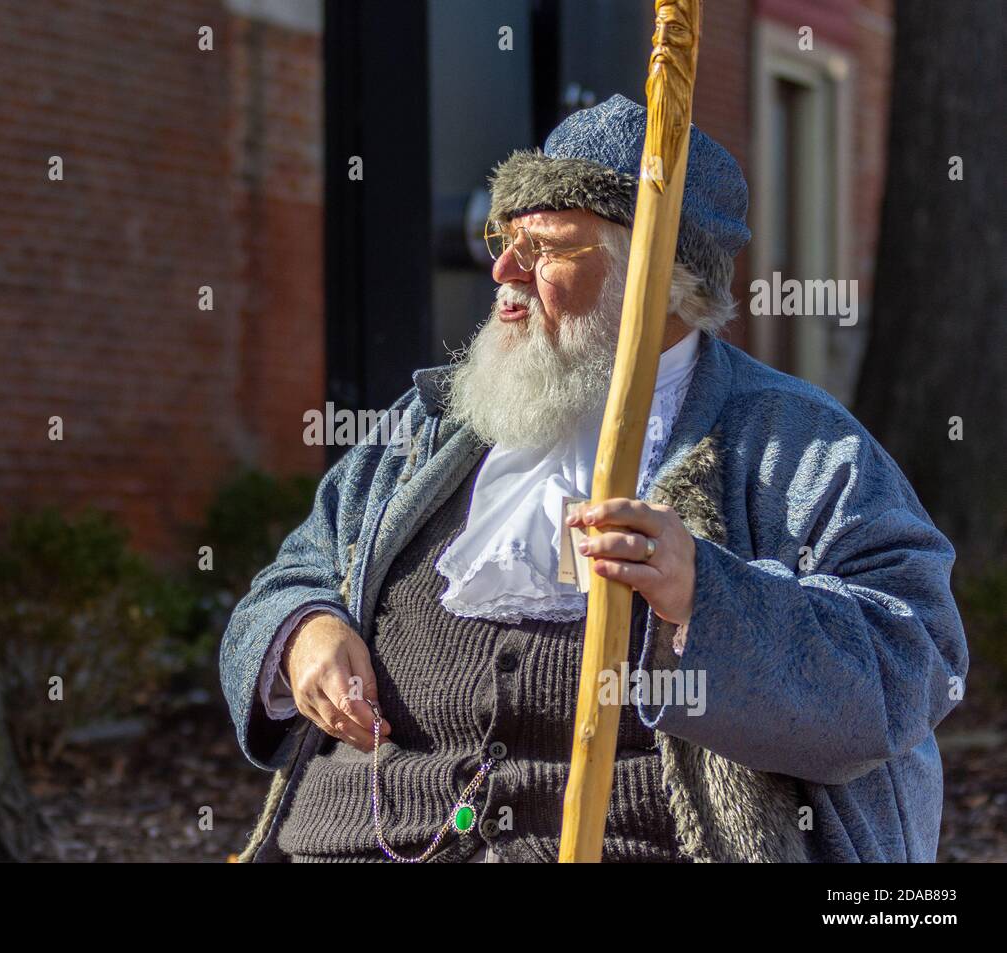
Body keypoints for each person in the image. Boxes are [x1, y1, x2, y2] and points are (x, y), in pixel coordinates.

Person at [219, 94, 968, 863]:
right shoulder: (431, 423)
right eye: (504, 240)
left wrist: (703, 594)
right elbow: (293, 573)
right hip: (357, 841)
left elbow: (912, 664)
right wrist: (302, 631)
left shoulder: (795, 442)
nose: (504, 271)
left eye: (546, 249)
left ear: (660, 278)